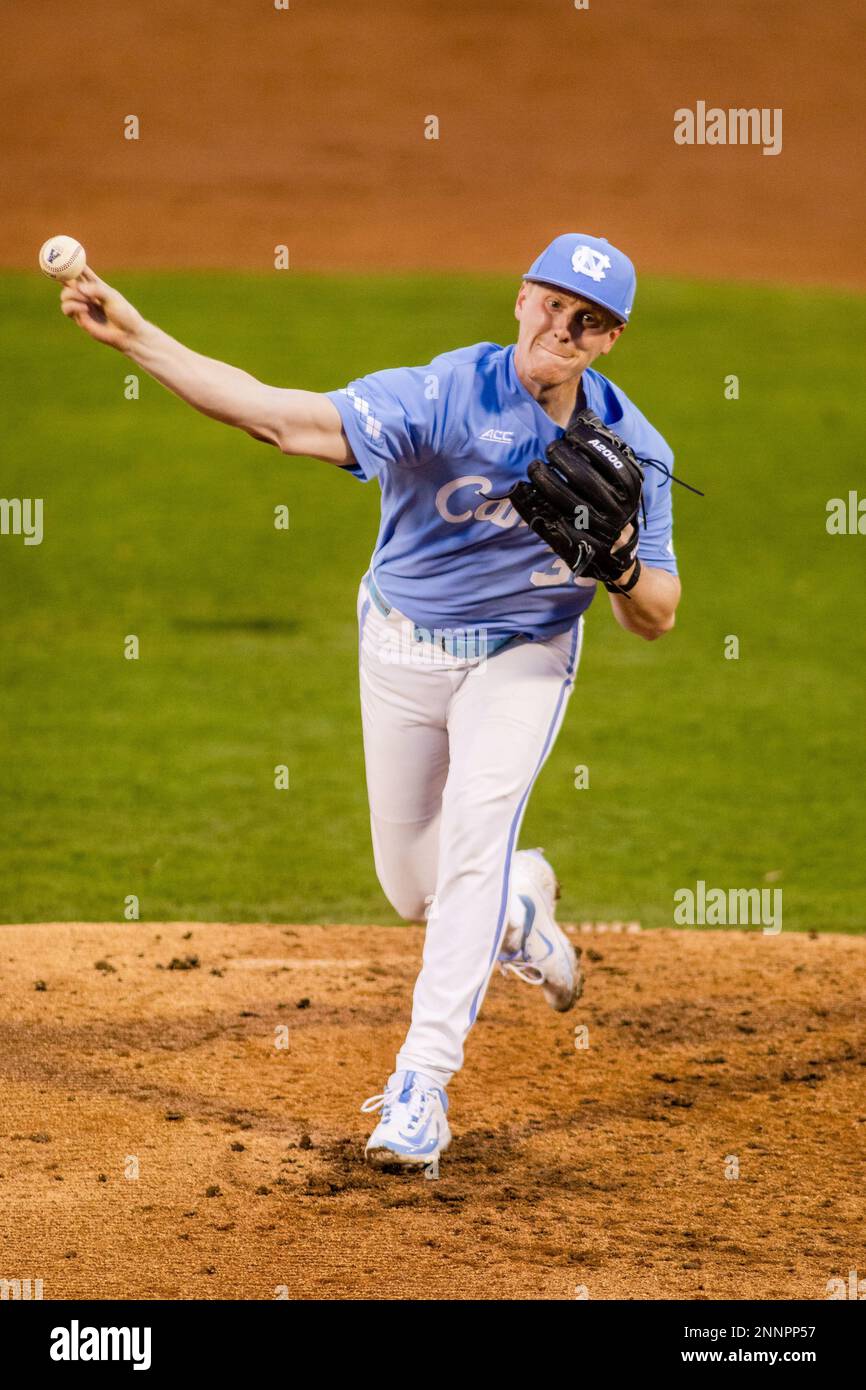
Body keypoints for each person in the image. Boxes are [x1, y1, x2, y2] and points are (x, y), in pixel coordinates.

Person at [59, 232, 681, 1170]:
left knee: (477, 827)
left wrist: (623, 565)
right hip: (401, 643)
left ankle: (420, 1088)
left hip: (524, 654)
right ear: (520, 300)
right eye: (552, 303)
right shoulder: (438, 396)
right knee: (412, 886)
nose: (564, 326)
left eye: (586, 319)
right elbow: (281, 419)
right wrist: (140, 339)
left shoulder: (635, 447)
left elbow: (659, 616)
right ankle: (518, 911)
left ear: (610, 338)